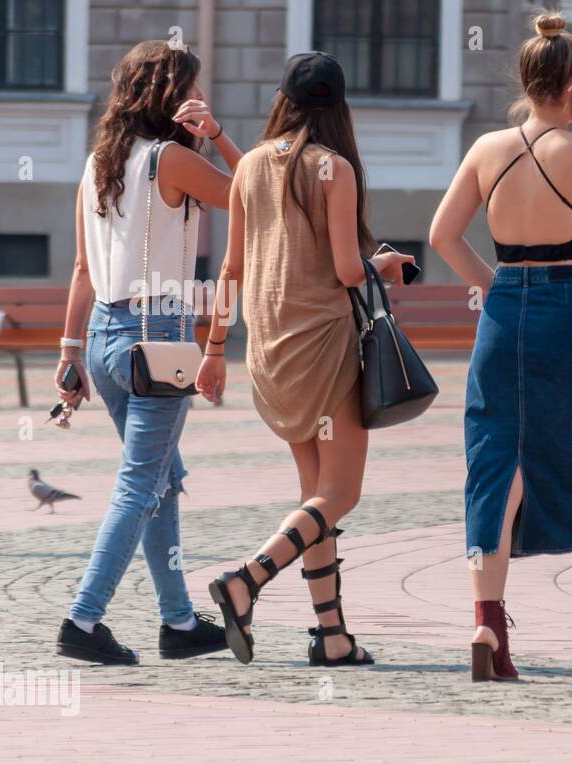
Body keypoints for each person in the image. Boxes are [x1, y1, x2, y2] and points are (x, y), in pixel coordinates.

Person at [429, 11, 572, 682]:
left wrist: (498, 289)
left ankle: (488, 621)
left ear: (527, 80)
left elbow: (442, 235)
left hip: (506, 314)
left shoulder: (485, 149)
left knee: (495, 462)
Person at [196, 52, 414, 667]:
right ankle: (246, 579)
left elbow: (231, 270)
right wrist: (389, 266)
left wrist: (214, 350)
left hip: (269, 352)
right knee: (340, 495)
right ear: (337, 107)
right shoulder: (333, 168)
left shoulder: (250, 170)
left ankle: (332, 637)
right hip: (324, 348)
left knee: (315, 498)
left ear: (281, 100)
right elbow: (349, 271)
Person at [55, 40, 243, 665]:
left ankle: (179, 622)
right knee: (140, 486)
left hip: (107, 340)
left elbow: (82, 267)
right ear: (169, 97)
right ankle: (83, 619)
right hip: (157, 334)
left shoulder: (96, 164)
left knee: (161, 479)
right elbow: (255, 194)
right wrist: (215, 134)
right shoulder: (169, 160)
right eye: (189, 87)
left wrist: (70, 351)